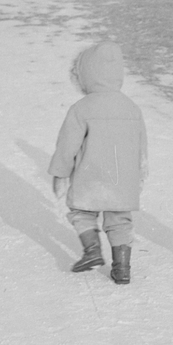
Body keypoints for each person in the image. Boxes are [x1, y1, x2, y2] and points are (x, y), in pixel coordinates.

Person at [49, 40, 148, 285]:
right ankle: (122, 268)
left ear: (86, 75)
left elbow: (67, 146)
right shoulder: (132, 108)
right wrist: (140, 174)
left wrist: (60, 173)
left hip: (90, 177)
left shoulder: (81, 108)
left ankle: (92, 251)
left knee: (81, 212)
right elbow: (141, 146)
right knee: (120, 220)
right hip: (122, 179)